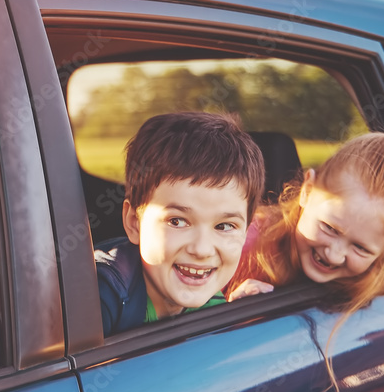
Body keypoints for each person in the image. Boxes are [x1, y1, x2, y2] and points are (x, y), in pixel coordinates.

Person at [97, 112, 265, 336]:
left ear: (245, 231)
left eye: (224, 226)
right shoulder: (100, 297)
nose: (202, 249)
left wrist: (232, 320)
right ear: (134, 223)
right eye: (177, 221)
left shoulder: (210, 297)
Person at [227, 132, 384, 311]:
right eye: (330, 228)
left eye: (360, 248)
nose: (334, 256)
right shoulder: (239, 244)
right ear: (307, 190)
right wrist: (231, 308)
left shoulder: (377, 287)